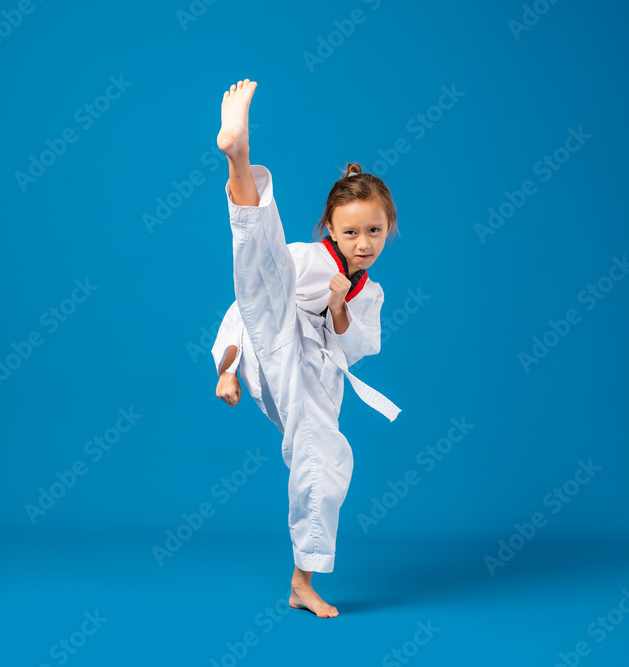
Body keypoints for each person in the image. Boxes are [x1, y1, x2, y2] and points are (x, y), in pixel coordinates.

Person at [211, 78, 401, 618]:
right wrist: (229, 368)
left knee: (325, 461)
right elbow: (246, 304)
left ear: (388, 230)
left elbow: (360, 347)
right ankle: (239, 159)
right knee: (266, 266)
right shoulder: (307, 257)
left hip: (311, 378)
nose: (363, 243)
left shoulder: (373, 291)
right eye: (350, 233)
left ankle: (302, 582)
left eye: (374, 231)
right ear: (331, 229)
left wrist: (340, 308)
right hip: (271, 339)